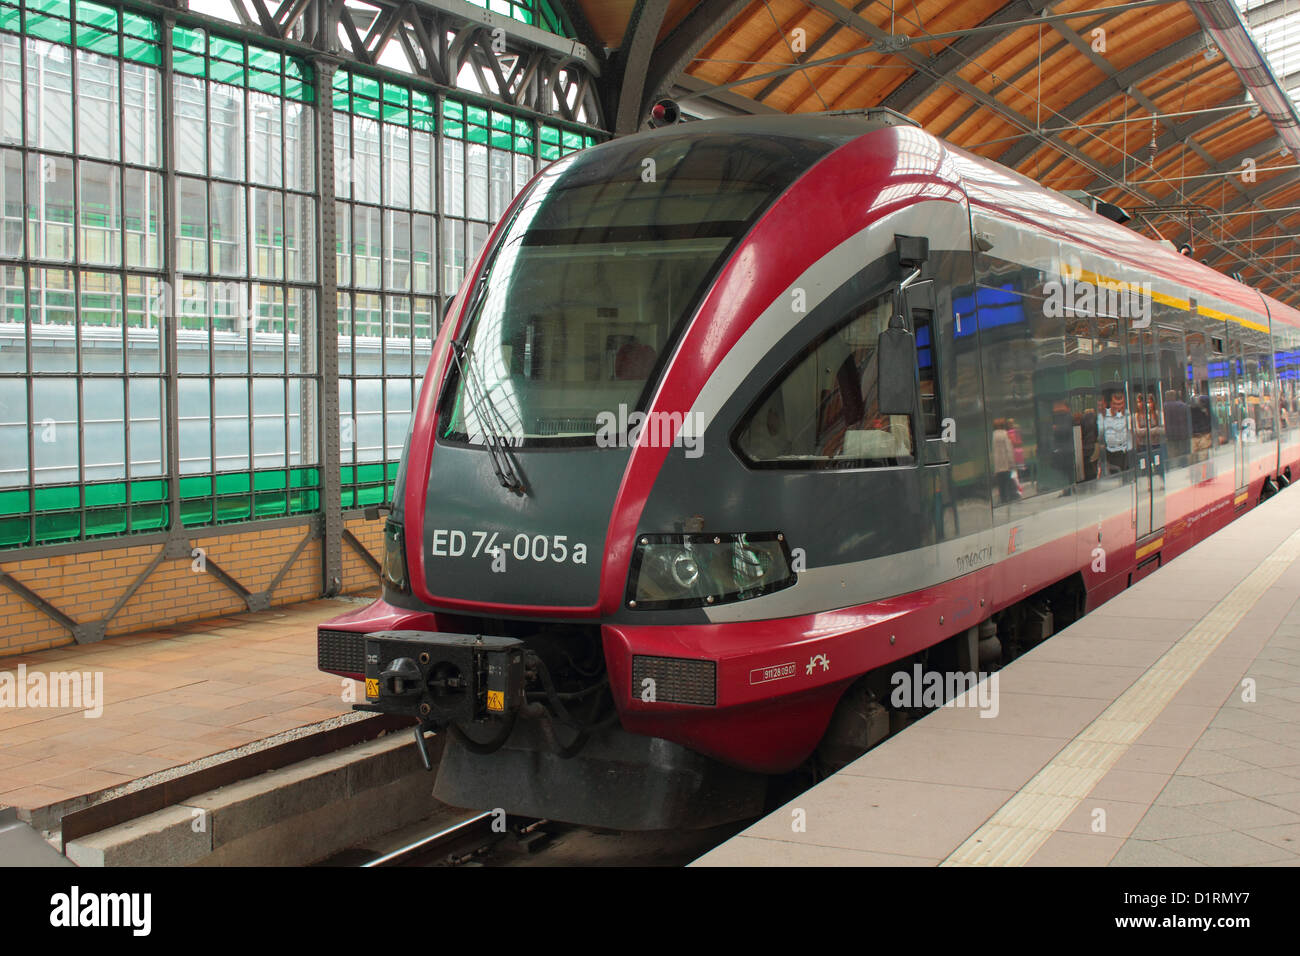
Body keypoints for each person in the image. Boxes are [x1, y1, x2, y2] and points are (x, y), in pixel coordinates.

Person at [1100, 389, 1131, 475]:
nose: (1118, 407)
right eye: (1115, 404)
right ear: (1110, 403)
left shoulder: (1127, 414)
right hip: (1111, 455)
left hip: (1124, 454)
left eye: (1120, 404)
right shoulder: (1104, 416)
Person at [992, 418, 1018, 503]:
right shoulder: (1005, 434)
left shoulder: (993, 436)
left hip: (998, 466)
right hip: (1006, 464)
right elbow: (1009, 449)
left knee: (1001, 485)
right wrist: (1012, 462)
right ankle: (1013, 496)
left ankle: (1003, 499)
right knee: (1010, 481)